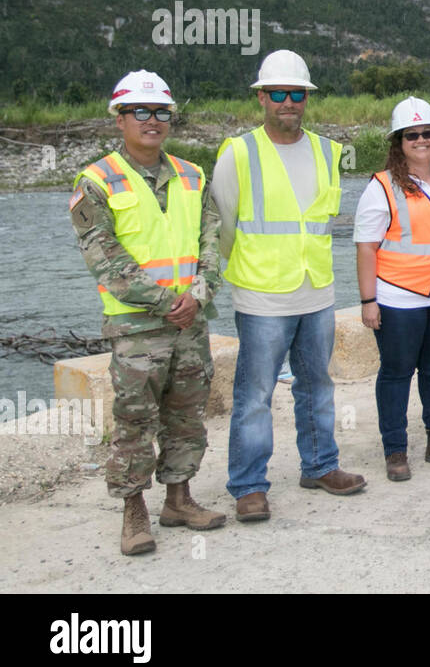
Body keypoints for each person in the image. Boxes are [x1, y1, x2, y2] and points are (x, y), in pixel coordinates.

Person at [70, 70, 226, 555]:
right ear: (120, 118)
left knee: (186, 415)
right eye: (141, 111)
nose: (153, 121)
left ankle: (179, 499)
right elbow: (103, 257)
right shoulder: (95, 182)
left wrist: (197, 294)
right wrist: (166, 303)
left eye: (161, 112)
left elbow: (212, 240)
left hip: (190, 321)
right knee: (135, 421)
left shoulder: (193, 174)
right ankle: (133, 513)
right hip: (137, 327)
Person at [212, 49, 365, 522]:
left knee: (317, 384)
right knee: (255, 394)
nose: (287, 102)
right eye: (277, 93)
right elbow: (223, 226)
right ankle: (248, 485)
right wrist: (251, 272)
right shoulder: (238, 153)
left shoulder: (327, 150)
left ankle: (320, 466)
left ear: (306, 98)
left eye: (295, 93)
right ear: (261, 97)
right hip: (261, 296)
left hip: (315, 290)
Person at [356, 98, 430, 481]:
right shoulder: (382, 187)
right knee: (396, 372)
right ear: (399, 141)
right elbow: (365, 247)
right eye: (412, 135)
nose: (421, 140)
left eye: (428, 133)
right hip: (398, 296)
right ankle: (395, 450)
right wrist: (368, 301)